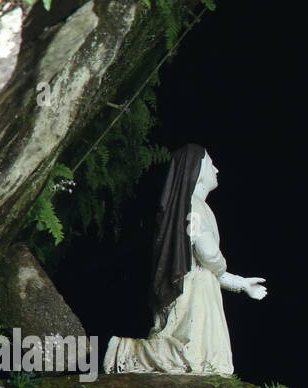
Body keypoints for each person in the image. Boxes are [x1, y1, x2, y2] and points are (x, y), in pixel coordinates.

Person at [103, 144, 266, 375]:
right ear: (197, 171)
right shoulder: (192, 206)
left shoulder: (198, 206)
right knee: (190, 354)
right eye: (211, 164)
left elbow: (210, 268)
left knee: (206, 360)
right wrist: (224, 266)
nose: (217, 169)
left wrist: (241, 284)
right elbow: (208, 254)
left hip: (203, 287)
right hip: (194, 291)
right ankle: (126, 351)